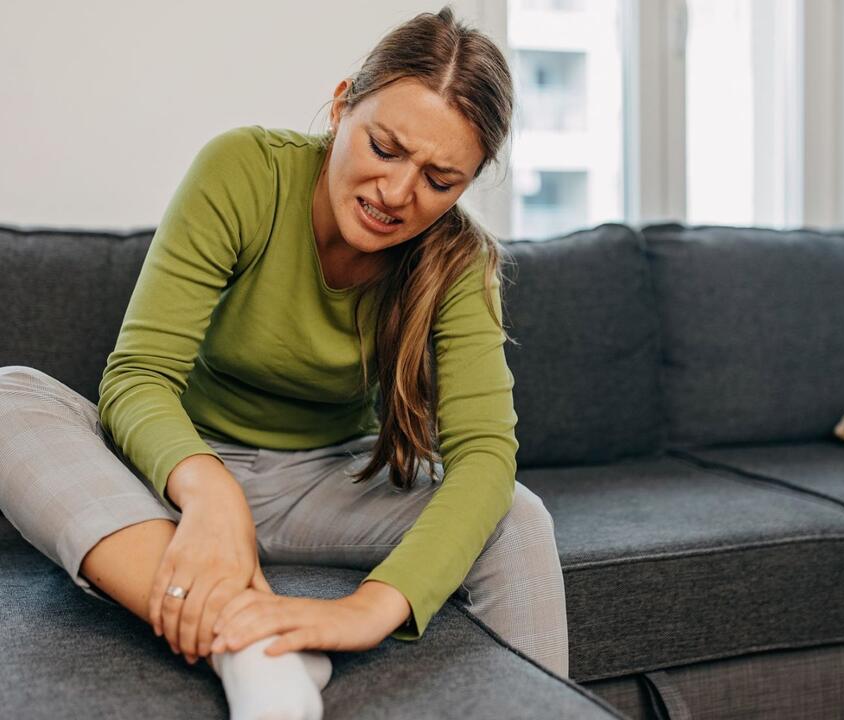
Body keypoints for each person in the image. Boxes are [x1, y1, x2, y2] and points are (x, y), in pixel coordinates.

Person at [0, 6, 568, 718]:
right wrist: (209, 493)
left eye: (440, 178)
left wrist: (367, 609)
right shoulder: (243, 169)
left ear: (468, 182)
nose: (397, 194)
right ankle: (250, 646)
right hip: (175, 481)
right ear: (341, 107)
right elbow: (139, 374)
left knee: (516, 516)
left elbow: (485, 455)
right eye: (386, 148)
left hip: (328, 484)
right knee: (8, 398)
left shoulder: (459, 262)